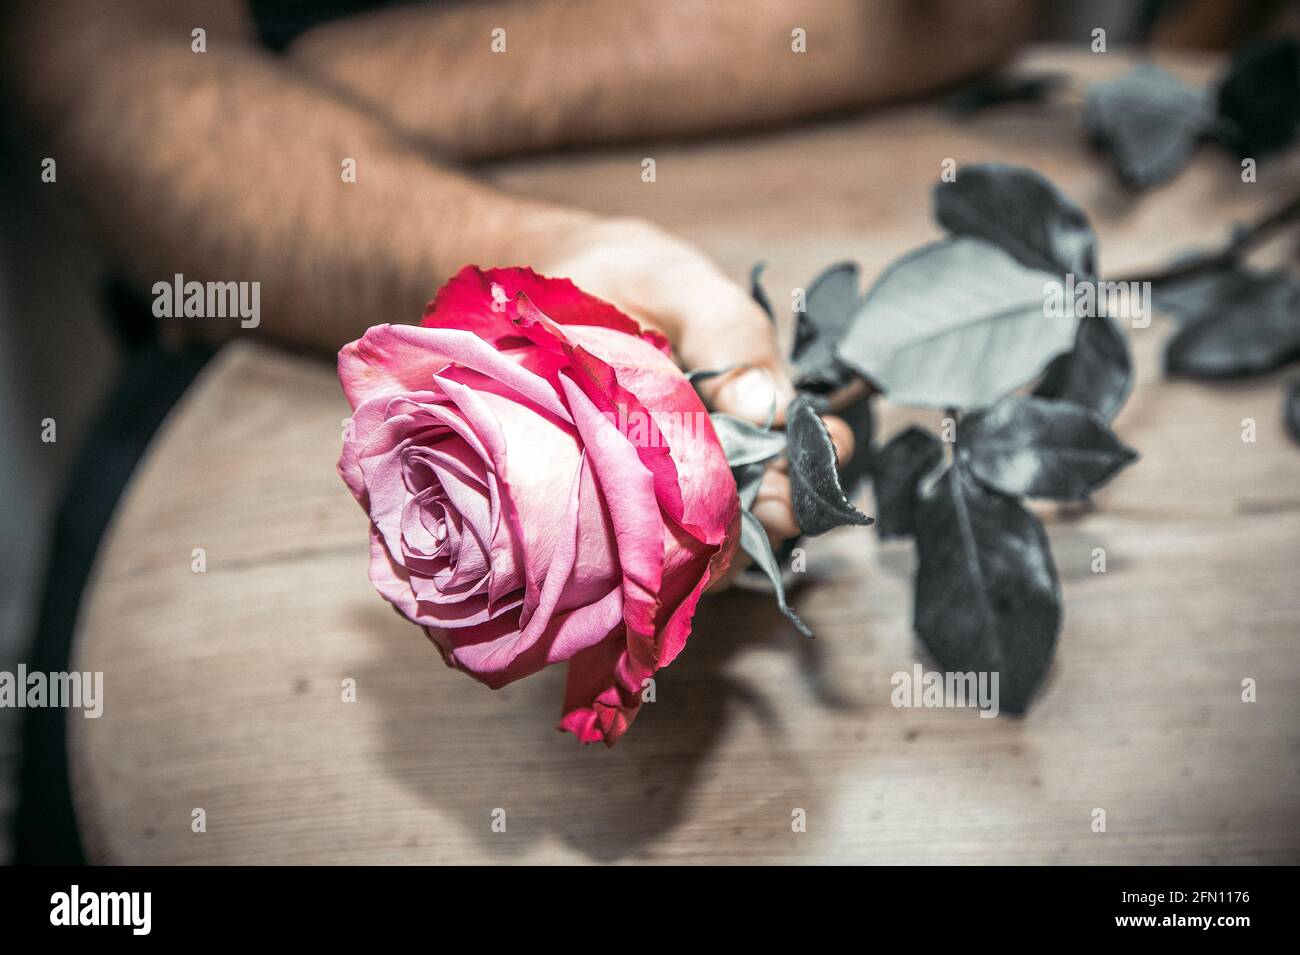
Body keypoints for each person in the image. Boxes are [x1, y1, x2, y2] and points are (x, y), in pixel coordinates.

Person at [3, 0, 1031, 549]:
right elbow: (110, 84)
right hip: (261, 320)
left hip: (826, 179)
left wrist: (293, 103)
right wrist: (546, 273)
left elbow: (962, 15)